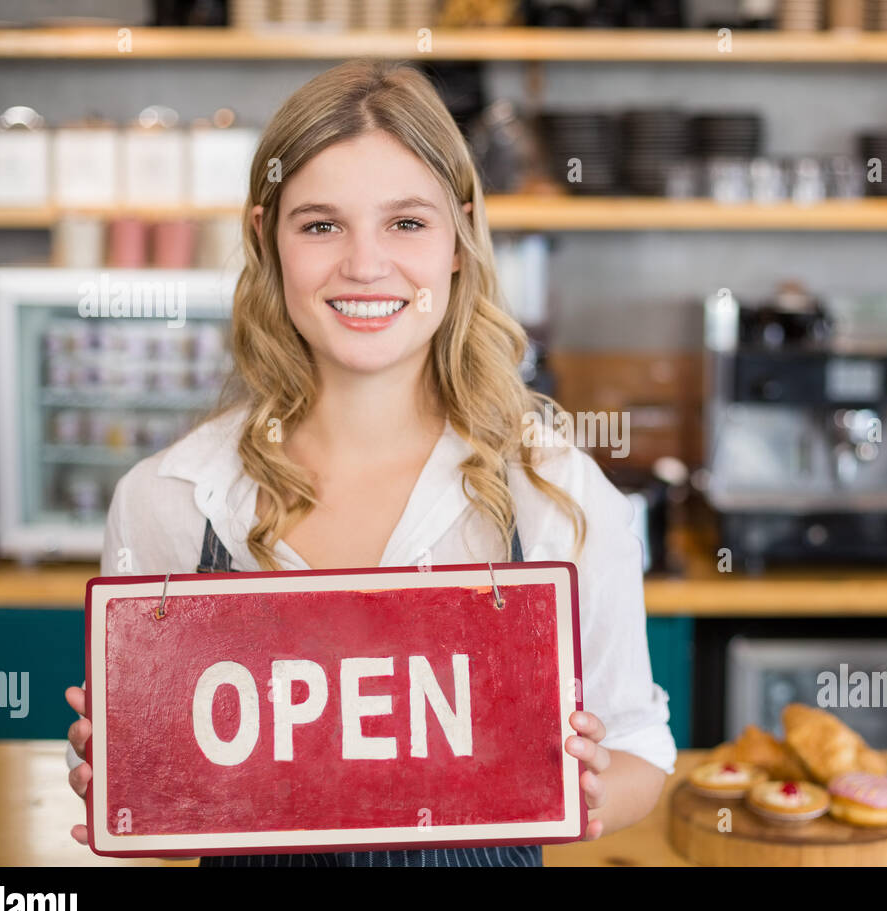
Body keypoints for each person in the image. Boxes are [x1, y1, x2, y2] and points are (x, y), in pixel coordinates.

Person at [63, 57, 675, 866]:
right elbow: (166, 831)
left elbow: (641, 750)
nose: (364, 264)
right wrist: (132, 785)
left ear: (458, 241)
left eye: (407, 223)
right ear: (263, 239)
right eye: (320, 224)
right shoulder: (171, 501)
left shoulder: (555, 493)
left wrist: (586, 786)